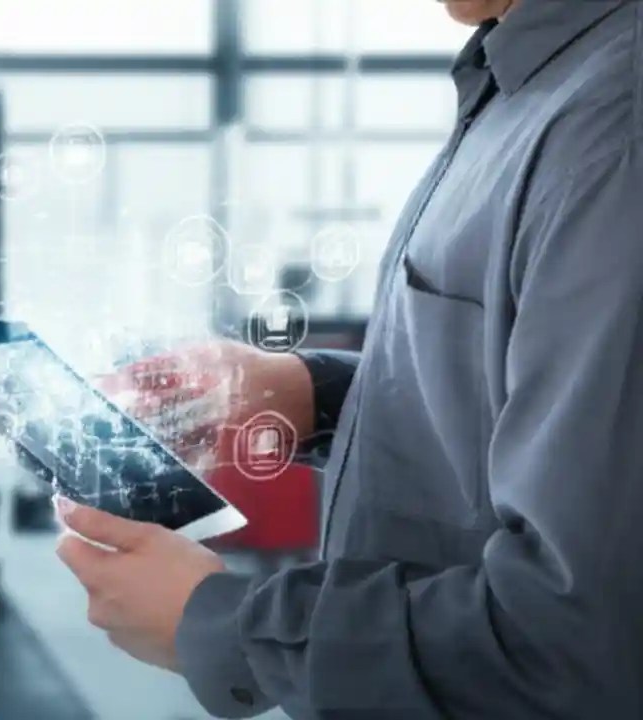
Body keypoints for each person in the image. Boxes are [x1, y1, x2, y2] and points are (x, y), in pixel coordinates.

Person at [54, 1, 643, 717]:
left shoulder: (611, 132)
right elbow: (519, 403)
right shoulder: (524, 85)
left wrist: (219, 623)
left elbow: (575, 641)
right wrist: (307, 395)